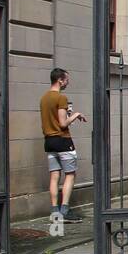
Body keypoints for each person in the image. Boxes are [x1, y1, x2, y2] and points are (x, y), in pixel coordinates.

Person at [40, 68, 88, 223]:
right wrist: (75, 115)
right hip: (63, 140)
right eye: (66, 79)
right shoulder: (61, 98)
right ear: (60, 80)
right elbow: (63, 123)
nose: (68, 82)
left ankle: (54, 212)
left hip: (49, 141)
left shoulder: (44, 98)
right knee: (70, 174)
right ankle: (64, 210)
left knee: (54, 176)